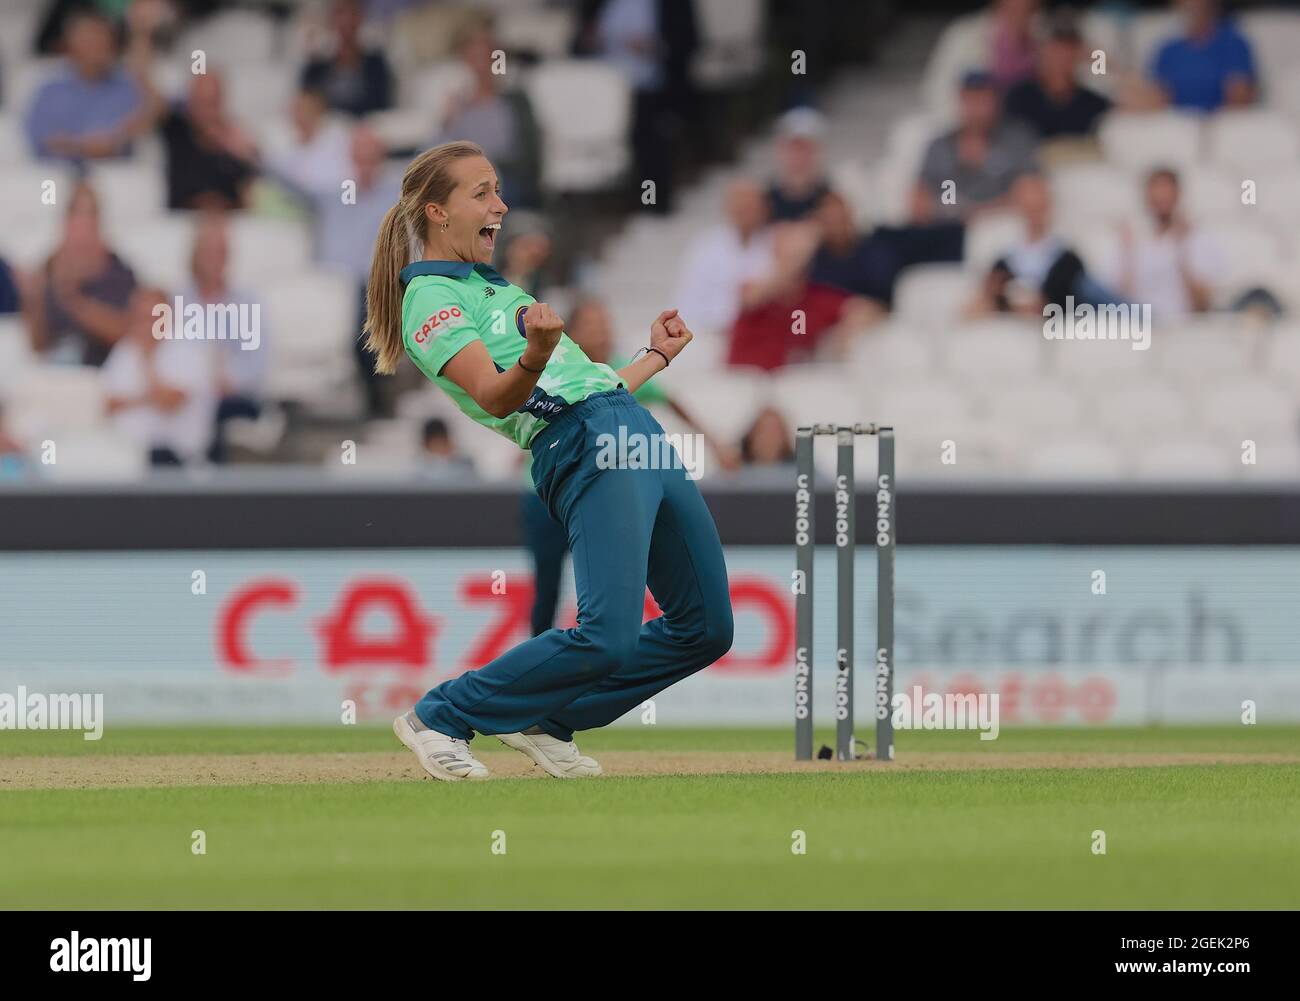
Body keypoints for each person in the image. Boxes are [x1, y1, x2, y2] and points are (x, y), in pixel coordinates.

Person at [364, 140, 733, 780]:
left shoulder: (491, 283)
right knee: (607, 636)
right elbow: (493, 391)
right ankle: (440, 716)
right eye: (481, 193)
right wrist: (534, 353)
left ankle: (549, 719)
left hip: (630, 429)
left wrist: (655, 358)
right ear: (435, 212)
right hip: (580, 444)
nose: (500, 206)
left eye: (497, 190)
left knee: (706, 627)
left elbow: (587, 384)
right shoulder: (428, 299)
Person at [521, 295, 740, 637]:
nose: (603, 333)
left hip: (600, 490)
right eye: (593, 326)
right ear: (571, 334)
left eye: (605, 325)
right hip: (545, 495)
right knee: (547, 587)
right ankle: (543, 665)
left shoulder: (624, 368)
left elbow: (670, 400)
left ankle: (584, 660)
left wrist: (714, 442)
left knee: (604, 589)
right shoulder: (555, 370)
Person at [965, 173, 1114, 317]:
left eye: (1038, 206)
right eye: (1028, 206)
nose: (1033, 213)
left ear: (1049, 205)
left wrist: (1042, 305)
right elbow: (979, 306)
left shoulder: (1069, 261)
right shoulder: (1003, 264)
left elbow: (1081, 303)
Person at [434, 15, 543, 210]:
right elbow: (438, 152)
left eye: (487, 56)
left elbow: (530, 156)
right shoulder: (456, 106)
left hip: (508, 185)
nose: (482, 65)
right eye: (475, 57)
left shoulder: (515, 101)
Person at [23, 181, 136, 367]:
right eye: (76, 216)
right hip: (57, 372)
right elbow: (38, 344)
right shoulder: (47, 270)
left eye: (89, 216)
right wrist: (33, 299)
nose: (82, 228)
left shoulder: (120, 273)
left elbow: (127, 335)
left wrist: (74, 300)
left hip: (104, 371)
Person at [102, 286, 218, 467]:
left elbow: (169, 403)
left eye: (153, 318)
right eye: (140, 317)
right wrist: (148, 398)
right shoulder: (126, 350)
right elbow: (107, 404)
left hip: (174, 459)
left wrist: (148, 362)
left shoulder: (189, 351)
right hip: (126, 456)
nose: (146, 325)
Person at [914, 70, 1038, 224]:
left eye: (983, 99)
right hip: (949, 227)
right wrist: (950, 209)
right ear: (960, 100)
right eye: (971, 99)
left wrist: (978, 212)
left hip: (1002, 226)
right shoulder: (941, 146)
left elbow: (1031, 191)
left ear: (996, 102)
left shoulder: (1015, 140)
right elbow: (920, 198)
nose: (977, 107)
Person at [25, 8, 148, 162]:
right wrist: (84, 146)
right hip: (57, 175)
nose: (97, 49)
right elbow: (42, 139)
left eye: (102, 41)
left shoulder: (129, 88)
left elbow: (142, 125)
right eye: (89, 42)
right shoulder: (50, 91)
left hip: (117, 176)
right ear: (70, 46)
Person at [1102, 168, 1221, 324]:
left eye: (1166, 193)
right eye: (1156, 195)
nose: (1161, 199)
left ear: (1177, 196)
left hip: (1182, 324)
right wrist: (1128, 253)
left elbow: (1201, 304)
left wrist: (1182, 250)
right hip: (1138, 323)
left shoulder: (1198, 240)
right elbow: (1119, 300)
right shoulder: (1131, 242)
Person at [674, 179, 775, 334]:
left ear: (763, 209)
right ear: (728, 207)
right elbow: (688, 299)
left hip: (759, 335)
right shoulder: (705, 246)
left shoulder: (774, 244)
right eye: (740, 205)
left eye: (750, 206)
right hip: (709, 333)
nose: (744, 211)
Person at [1003, 21, 1111, 142]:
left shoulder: (1093, 103)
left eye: (1068, 51)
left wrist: (1108, 65)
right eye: (1055, 51)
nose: (1061, 59)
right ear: (1041, 52)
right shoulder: (1020, 97)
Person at [1148, 0, 1256, 112]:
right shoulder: (1168, 51)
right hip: (1178, 125)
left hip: (1224, 124)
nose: (1194, 5)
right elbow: (1156, 98)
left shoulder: (1234, 44)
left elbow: (1240, 98)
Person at [299, 0, 394, 117]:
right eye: (341, 14)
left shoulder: (376, 65)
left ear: (361, 18)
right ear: (331, 20)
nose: (346, 21)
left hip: (365, 129)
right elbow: (306, 105)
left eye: (352, 14)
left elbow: (383, 106)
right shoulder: (316, 66)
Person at [767, 108, 832, 222]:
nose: (799, 156)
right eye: (793, 148)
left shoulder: (830, 199)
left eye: (805, 148)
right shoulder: (764, 200)